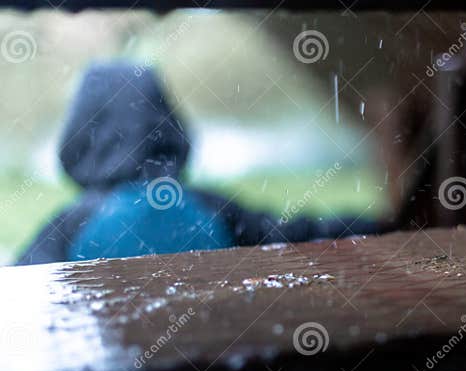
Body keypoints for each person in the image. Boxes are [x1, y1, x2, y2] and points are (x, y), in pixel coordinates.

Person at [17, 62, 377, 266]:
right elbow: (298, 233)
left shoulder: (68, 227)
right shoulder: (212, 208)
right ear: (168, 123)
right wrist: (388, 223)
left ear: (80, 137)